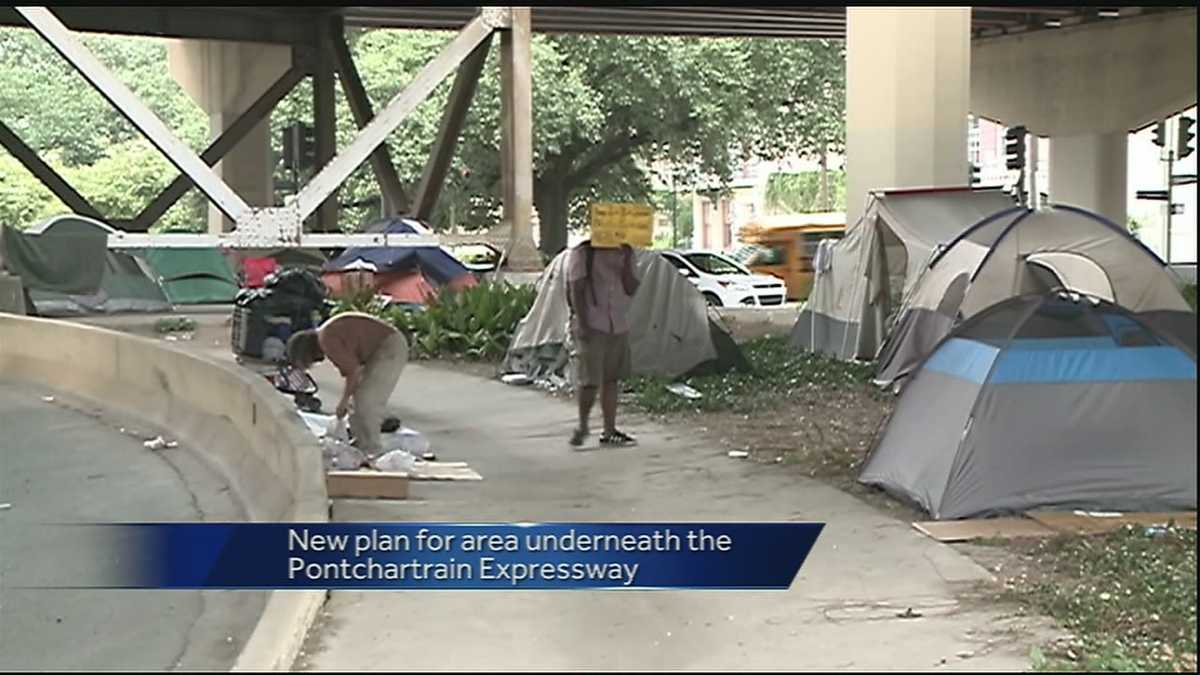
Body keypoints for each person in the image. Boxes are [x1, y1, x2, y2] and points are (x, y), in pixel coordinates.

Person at [286, 312, 409, 457]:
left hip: (389, 347)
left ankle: (372, 450)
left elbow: (353, 373)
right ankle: (361, 443)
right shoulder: (326, 334)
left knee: (366, 402)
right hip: (381, 348)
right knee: (357, 403)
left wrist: (343, 402)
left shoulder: (327, 340)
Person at [566, 241, 640, 448]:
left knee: (611, 379)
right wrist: (582, 323)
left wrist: (625, 261)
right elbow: (576, 288)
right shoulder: (583, 252)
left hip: (617, 323)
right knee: (589, 380)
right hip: (592, 324)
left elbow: (632, 287)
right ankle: (583, 425)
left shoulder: (626, 251)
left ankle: (609, 430)